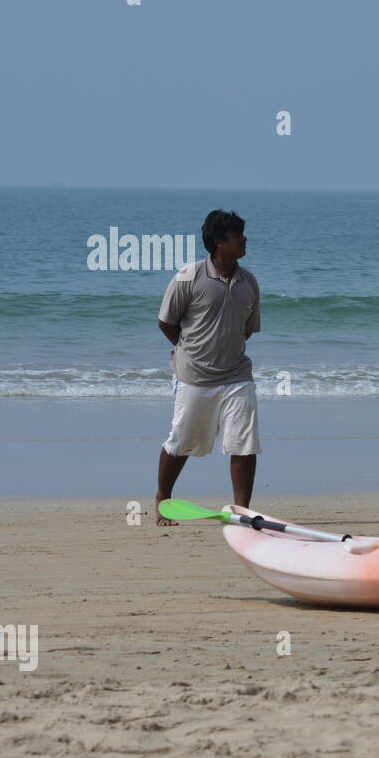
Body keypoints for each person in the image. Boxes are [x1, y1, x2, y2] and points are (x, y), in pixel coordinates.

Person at [154, 210, 261, 525]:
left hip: (237, 374)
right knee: (182, 441)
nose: (244, 240)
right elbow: (166, 322)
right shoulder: (188, 276)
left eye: (243, 234)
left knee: (245, 441)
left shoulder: (248, 281)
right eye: (237, 236)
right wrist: (190, 352)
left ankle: (242, 511)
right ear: (219, 242)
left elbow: (248, 329)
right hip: (194, 375)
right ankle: (163, 497)